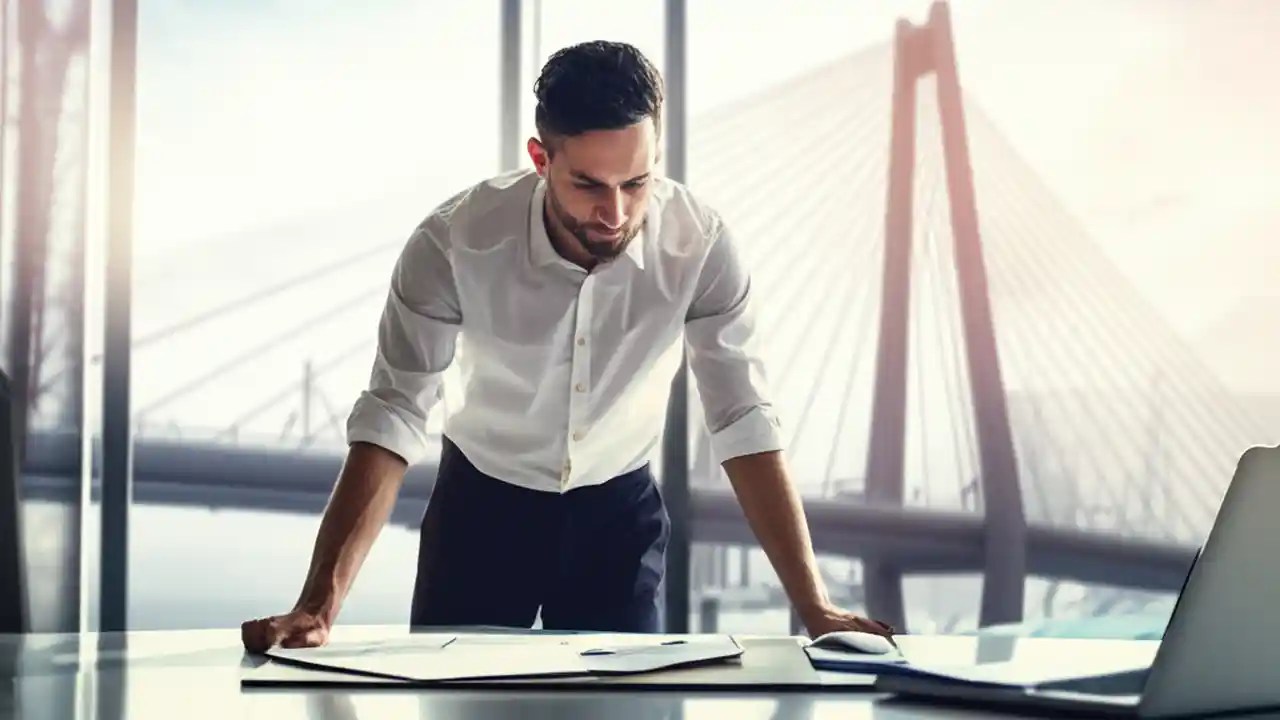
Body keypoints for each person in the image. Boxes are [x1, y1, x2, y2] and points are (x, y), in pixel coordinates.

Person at [241, 40, 894, 653]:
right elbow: (394, 414)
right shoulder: (453, 241)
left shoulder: (701, 245)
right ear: (540, 158)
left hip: (619, 519)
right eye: (588, 185)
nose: (614, 213)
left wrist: (814, 604)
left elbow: (742, 418)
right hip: (481, 512)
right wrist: (319, 604)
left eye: (636, 183)